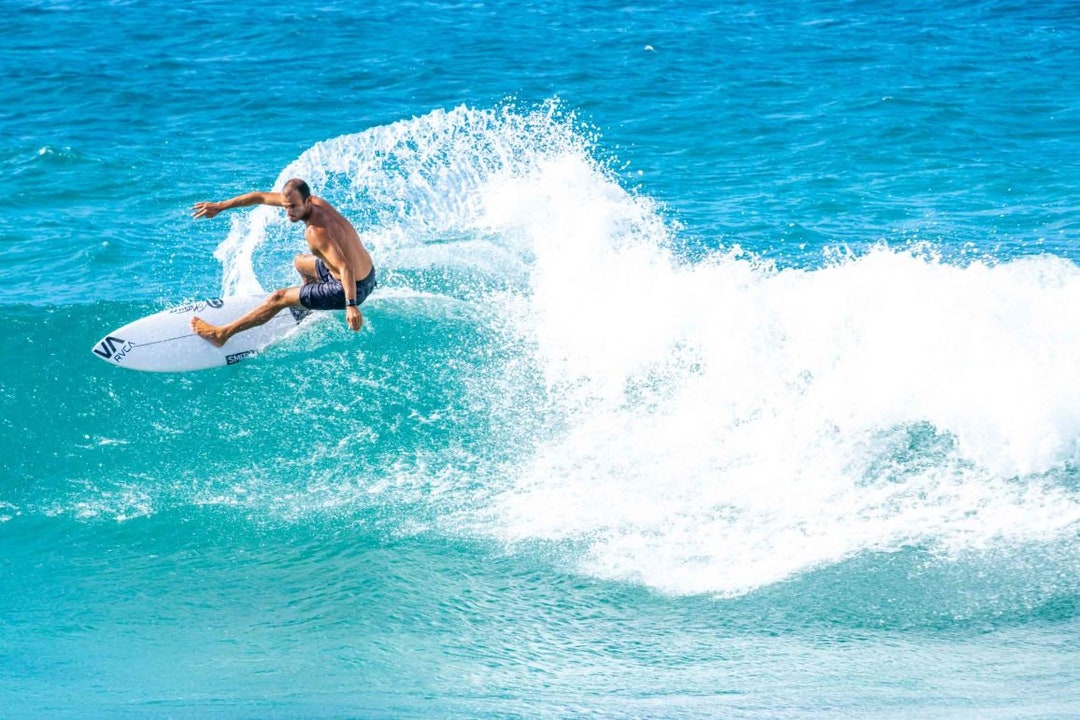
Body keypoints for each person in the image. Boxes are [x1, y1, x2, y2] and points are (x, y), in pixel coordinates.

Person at [189, 178, 376, 347]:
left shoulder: (315, 232)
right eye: (286, 206)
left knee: (278, 298)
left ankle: (221, 334)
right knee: (300, 261)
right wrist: (221, 206)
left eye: (293, 207)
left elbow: (345, 267)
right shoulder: (314, 203)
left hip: (348, 288)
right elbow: (260, 197)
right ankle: (306, 305)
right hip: (368, 274)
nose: (288, 212)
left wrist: (351, 305)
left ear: (307, 201)